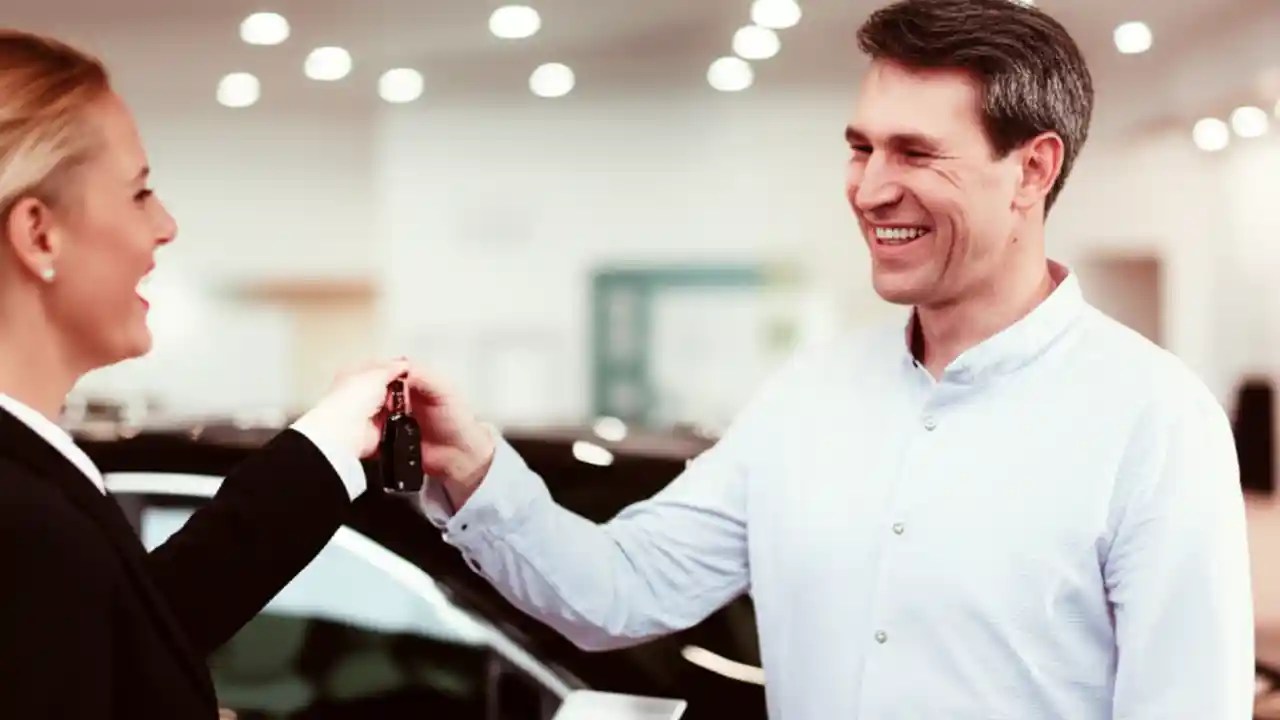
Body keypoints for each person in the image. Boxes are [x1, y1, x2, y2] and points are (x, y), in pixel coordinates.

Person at [402, 0, 1255, 717]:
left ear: (1032, 169)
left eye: (915, 152)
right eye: (861, 146)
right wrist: (473, 465)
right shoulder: (808, 395)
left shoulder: (1155, 420)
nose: (871, 188)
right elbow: (622, 591)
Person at [0, 29, 408, 718]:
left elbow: (134, 629)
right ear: (40, 234)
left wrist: (329, 442)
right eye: (139, 193)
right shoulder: (23, 525)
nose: (166, 226)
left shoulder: (34, 495)